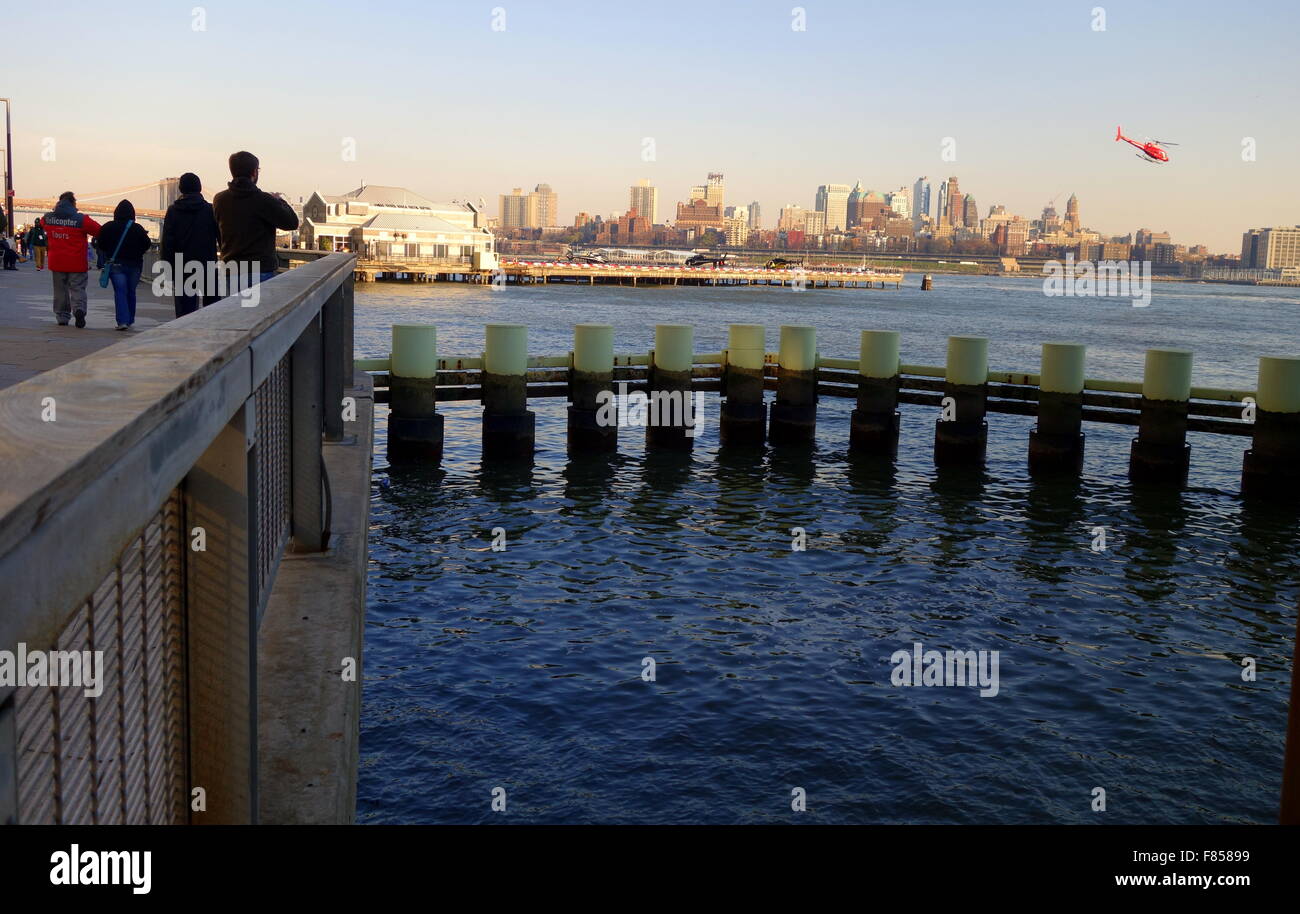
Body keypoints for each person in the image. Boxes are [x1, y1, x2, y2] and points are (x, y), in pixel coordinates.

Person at [212, 150, 298, 289]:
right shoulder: (263, 200)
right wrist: (280, 201)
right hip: (260, 271)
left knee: (234, 311)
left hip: (231, 270)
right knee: (260, 311)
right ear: (254, 172)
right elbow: (292, 223)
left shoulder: (219, 199)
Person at [161, 172, 221, 316]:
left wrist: (168, 268)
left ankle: (185, 337)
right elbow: (221, 237)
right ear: (199, 188)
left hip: (182, 267)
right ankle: (210, 336)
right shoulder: (210, 210)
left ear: (181, 189)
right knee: (212, 309)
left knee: (185, 312)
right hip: (207, 265)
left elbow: (167, 242)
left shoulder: (173, 211)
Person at [43, 191, 102, 327]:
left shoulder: (48, 218)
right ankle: (79, 310)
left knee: (60, 290)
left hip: (57, 261)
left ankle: (62, 317)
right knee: (77, 288)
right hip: (77, 262)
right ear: (73, 203)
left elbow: (42, 223)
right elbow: (99, 230)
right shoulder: (81, 219)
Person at [96, 200, 153, 331]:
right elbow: (146, 244)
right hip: (135, 265)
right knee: (131, 292)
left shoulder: (108, 227)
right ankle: (130, 319)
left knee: (120, 292)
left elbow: (101, 244)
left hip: (116, 264)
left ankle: (122, 321)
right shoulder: (138, 228)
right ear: (132, 214)